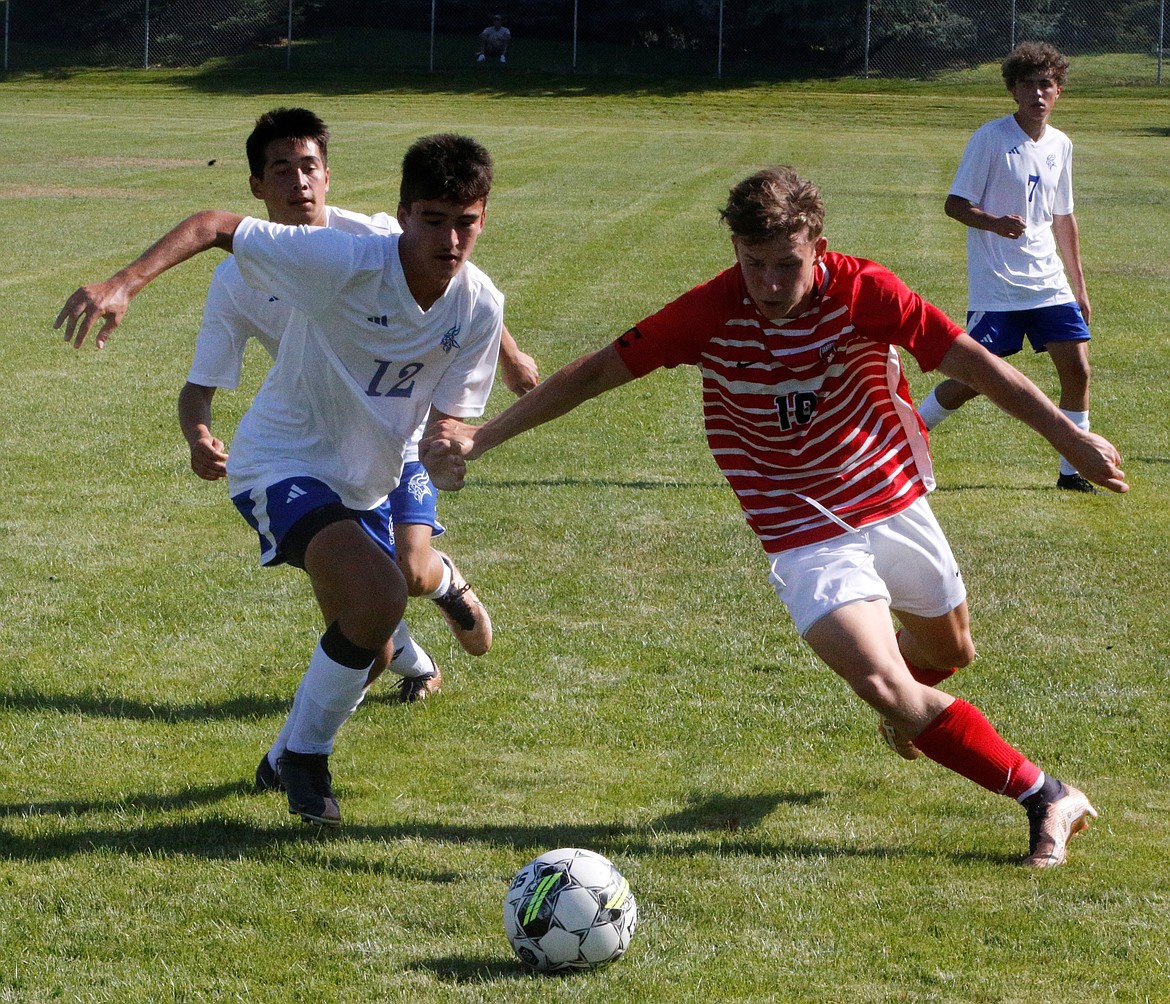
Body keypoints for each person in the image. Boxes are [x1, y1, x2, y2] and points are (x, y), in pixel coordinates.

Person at [423, 166, 1127, 868]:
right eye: (753, 264)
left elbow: (973, 364)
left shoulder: (866, 291)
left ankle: (914, 711)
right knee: (881, 681)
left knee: (949, 654)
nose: (768, 284)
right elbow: (595, 372)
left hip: (890, 493)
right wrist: (480, 440)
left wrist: (1071, 439)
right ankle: (1045, 794)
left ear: (819, 246)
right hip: (800, 523)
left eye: (786, 265)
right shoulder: (710, 310)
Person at [57, 133, 507, 828]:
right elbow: (212, 226)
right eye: (433, 220)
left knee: (375, 637)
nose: (450, 239)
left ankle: (285, 755)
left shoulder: (479, 305)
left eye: (466, 222)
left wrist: (448, 451)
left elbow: (448, 421)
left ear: (483, 218)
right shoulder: (342, 259)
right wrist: (124, 284)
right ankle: (306, 758)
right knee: (380, 591)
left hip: (371, 474)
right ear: (402, 215)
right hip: (281, 462)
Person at [178, 109, 538, 705]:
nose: (299, 182)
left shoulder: (369, 238)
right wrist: (199, 434)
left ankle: (445, 583)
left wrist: (511, 353)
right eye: (282, 169)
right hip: (322, 446)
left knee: (412, 572)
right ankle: (409, 666)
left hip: (404, 434)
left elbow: (460, 285)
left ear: (328, 175)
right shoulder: (237, 278)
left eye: (310, 167)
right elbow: (202, 383)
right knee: (363, 599)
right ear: (257, 186)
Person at [917, 41, 1097, 493]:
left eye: (1046, 85)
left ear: (1058, 93)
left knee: (1078, 370)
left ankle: (1072, 470)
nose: (1038, 94)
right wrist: (993, 223)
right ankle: (905, 435)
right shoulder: (991, 138)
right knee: (974, 380)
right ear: (1014, 91)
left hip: (1048, 281)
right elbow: (954, 205)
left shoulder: (1061, 144)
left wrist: (1079, 285)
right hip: (997, 287)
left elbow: (1063, 217)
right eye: (1028, 85)